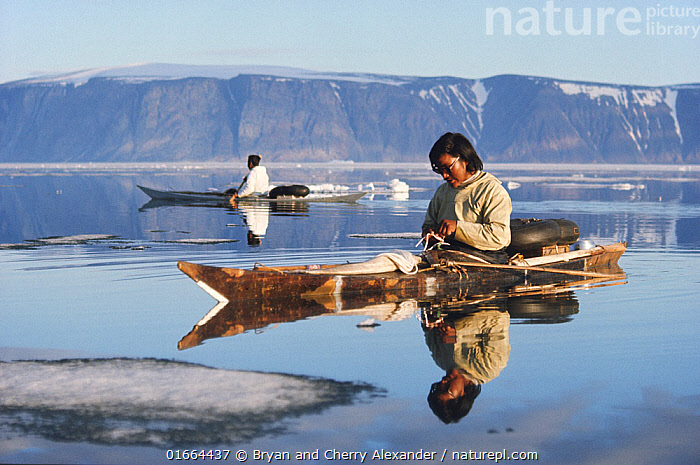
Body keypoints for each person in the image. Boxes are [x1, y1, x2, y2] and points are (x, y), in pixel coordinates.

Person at [422, 132, 512, 264]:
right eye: (440, 170)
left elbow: (499, 237)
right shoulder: (442, 192)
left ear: (465, 160)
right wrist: (429, 235)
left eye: (448, 168)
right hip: (445, 257)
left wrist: (458, 228)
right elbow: (428, 225)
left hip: (485, 260)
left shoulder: (492, 191)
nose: (444, 176)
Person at [423, 308, 511, 423]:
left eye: (438, 386)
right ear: (463, 395)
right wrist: (458, 332)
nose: (443, 382)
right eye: (447, 390)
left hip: (446, 303)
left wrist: (429, 322)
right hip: (484, 302)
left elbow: (427, 330)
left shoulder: (440, 359)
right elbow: (499, 318)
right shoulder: (489, 367)